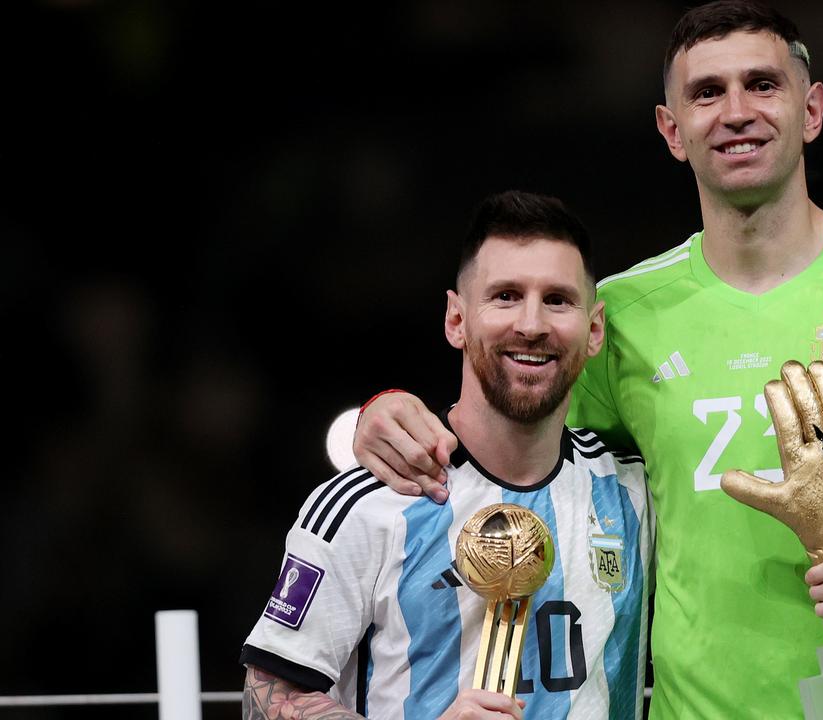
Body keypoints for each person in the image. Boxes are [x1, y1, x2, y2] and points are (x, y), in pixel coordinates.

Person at [356, 2, 823, 718]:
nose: (736, 111)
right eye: (707, 93)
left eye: (762, 84)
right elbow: (499, 445)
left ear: (813, 110)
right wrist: (386, 412)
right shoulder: (620, 315)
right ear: (672, 131)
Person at [241, 191, 652, 719]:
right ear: (456, 319)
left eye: (557, 299)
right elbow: (265, 695)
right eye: (505, 296)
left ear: (593, 329)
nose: (531, 324)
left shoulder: (635, 491)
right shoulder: (367, 503)